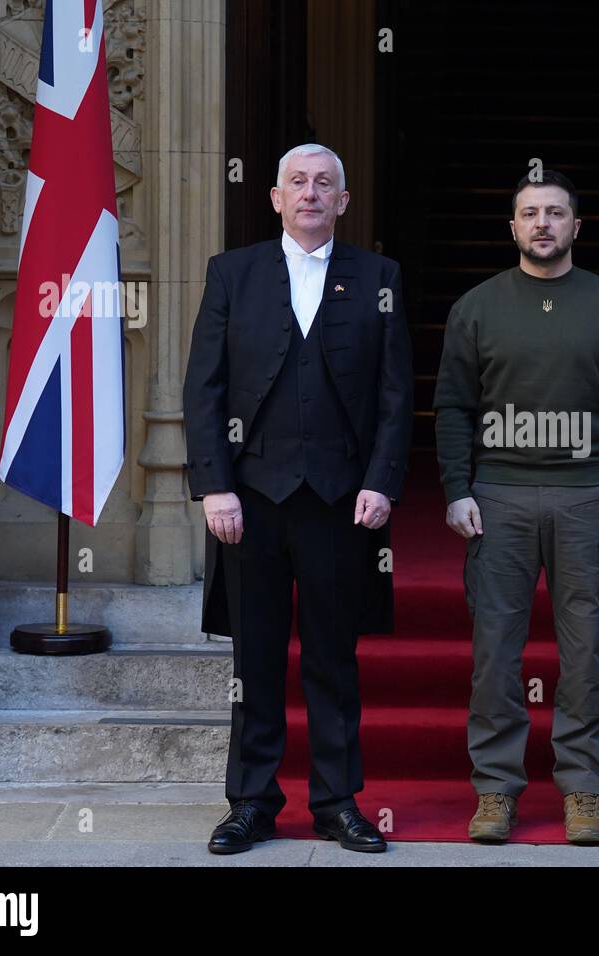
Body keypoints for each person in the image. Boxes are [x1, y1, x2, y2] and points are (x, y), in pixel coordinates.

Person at [183, 143, 413, 854]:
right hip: (248, 502)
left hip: (341, 502)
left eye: (325, 184)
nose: (311, 193)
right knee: (254, 661)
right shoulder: (233, 273)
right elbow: (204, 388)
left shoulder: (380, 277)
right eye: (298, 183)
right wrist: (214, 484)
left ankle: (337, 801)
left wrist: (380, 480)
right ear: (276, 198)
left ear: (343, 202)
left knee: (331, 657)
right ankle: (251, 801)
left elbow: (396, 396)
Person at [433, 171, 599, 845]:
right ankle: (495, 790)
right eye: (530, 213)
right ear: (513, 227)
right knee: (494, 653)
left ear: (576, 227)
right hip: (497, 495)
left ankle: (582, 788)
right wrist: (456, 488)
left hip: (586, 494)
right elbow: (453, 407)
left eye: (555, 213)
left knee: (584, 652)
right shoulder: (476, 307)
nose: (542, 224)